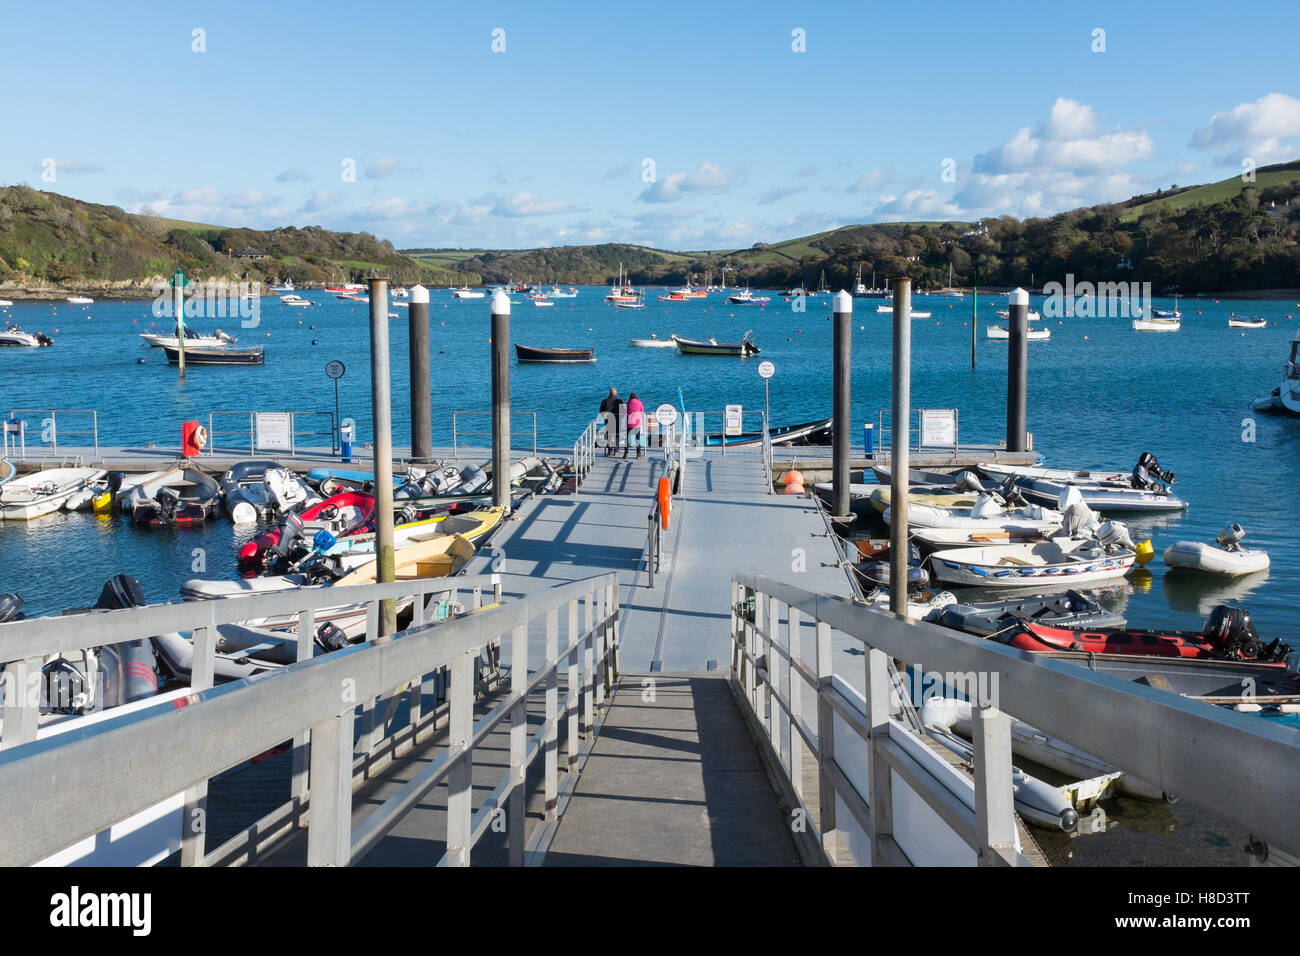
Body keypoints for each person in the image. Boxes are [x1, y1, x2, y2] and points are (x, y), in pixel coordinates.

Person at [598, 387, 622, 456]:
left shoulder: (604, 401)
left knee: (609, 435)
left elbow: (600, 412)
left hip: (608, 421)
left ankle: (610, 450)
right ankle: (616, 450)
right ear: (615, 393)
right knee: (617, 435)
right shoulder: (619, 401)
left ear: (609, 393)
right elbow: (623, 412)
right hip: (617, 421)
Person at [624, 393, 646, 458]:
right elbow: (642, 410)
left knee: (627, 439)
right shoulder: (639, 403)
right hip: (637, 423)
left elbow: (625, 411)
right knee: (637, 438)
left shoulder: (627, 403)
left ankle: (626, 453)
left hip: (629, 423)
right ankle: (638, 454)